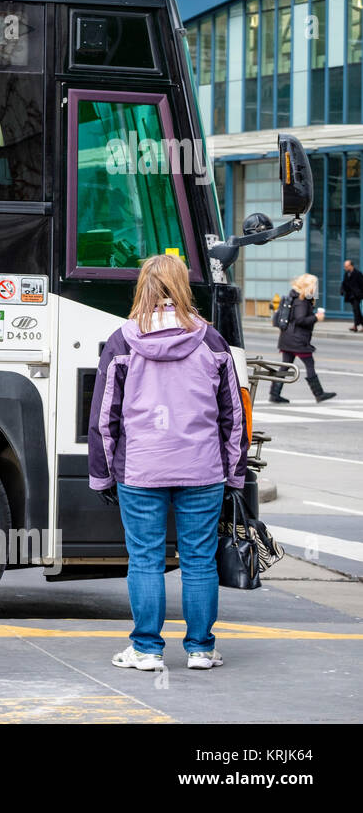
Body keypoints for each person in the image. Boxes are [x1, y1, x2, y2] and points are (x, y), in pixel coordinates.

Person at [87, 254, 247, 672]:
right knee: (198, 559)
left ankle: (146, 649)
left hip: (141, 469)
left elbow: (105, 418)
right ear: (183, 286)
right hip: (202, 470)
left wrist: (102, 475)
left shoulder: (123, 340)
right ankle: (200, 648)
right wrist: (235, 473)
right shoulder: (211, 341)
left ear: (143, 286)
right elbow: (233, 417)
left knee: (145, 560)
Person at [270, 273, 336, 403]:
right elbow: (300, 320)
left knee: (285, 366)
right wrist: (316, 317)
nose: (316, 288)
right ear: (308, 286)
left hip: (287, 338)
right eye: (314, 285)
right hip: (297, 340)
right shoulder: (301, 301)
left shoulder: (294, 297)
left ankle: (274, 394)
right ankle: (319, 394)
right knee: (309, 364)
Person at [340, 260, 363, 332]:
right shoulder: (346, 274)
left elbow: (362, 284)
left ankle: (355, 326)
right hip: (350, 295)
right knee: (356, 311)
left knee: (356, 310)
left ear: (351, 266)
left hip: (356, 295)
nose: (345, 268)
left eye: (346, 266)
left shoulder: (358, 273)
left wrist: (360, 293)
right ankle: (358, 325)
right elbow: (343, 283)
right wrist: (342, 290)